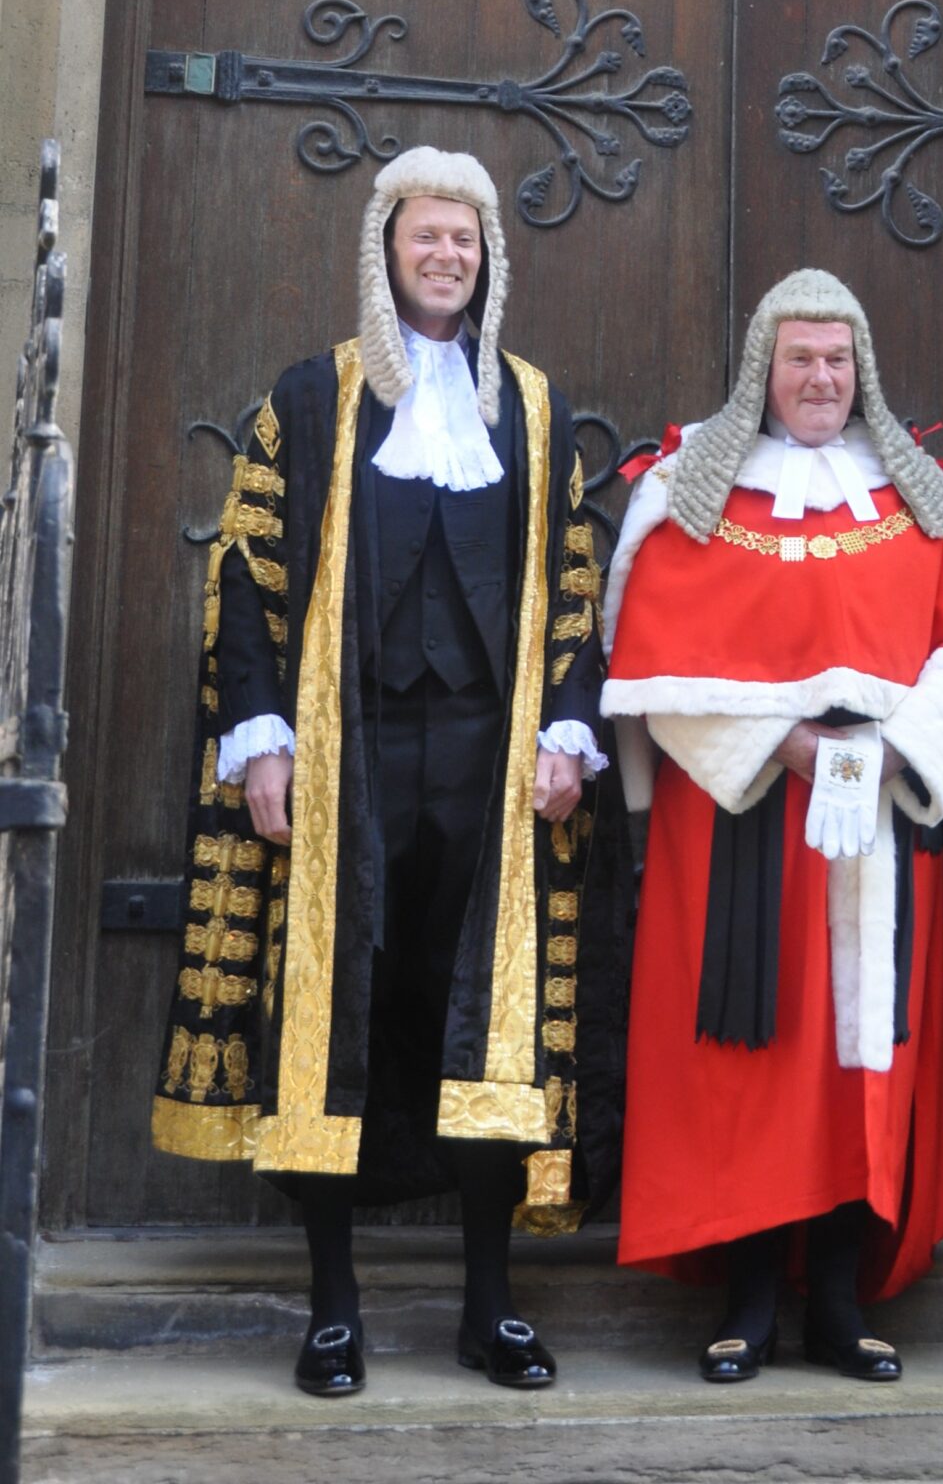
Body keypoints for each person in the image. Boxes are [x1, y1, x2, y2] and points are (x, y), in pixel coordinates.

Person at [151, 146, 629, 1398]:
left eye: (464, 238)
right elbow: (245, 576)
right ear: (386, 247)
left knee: (480, 1019)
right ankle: (333, 1308)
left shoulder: (532, 406)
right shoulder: (310, 397)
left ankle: (488, 1305)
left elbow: (576, 587)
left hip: (489, 762)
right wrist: (261, 734)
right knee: (337, 1013)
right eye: (426, 234)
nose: (445, 255)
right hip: (345, 753)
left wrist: (569, 729)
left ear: (489, 256)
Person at [601, 268, 943, 1384]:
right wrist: (782, 744)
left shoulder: (918, 499)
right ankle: (746, 1303)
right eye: (799, 359)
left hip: (876, 820)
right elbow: (651, 662)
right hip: (740, 821)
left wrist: (887, 752)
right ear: (762, 370)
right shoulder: (691, 493)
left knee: (855, 1059)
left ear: (859, 369)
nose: (820, 378)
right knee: (747, 1056)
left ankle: (836, 1301)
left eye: (836, 359)